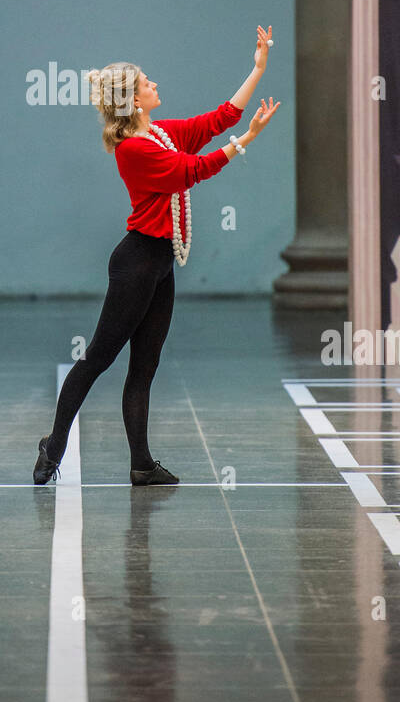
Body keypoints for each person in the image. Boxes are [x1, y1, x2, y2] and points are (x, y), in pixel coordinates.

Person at [33, 25, 280, 485]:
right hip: (137, 262)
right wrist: (247, 139)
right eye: (147, 82)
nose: (155, 85)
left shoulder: (161, 134)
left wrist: (258, 67)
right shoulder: (134, 150)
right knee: (97, 359)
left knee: (145, 366)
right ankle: (54, 444)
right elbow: (192, 172)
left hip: (160, 263)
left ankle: (141, 465)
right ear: (132, 98)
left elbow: (218, 119)